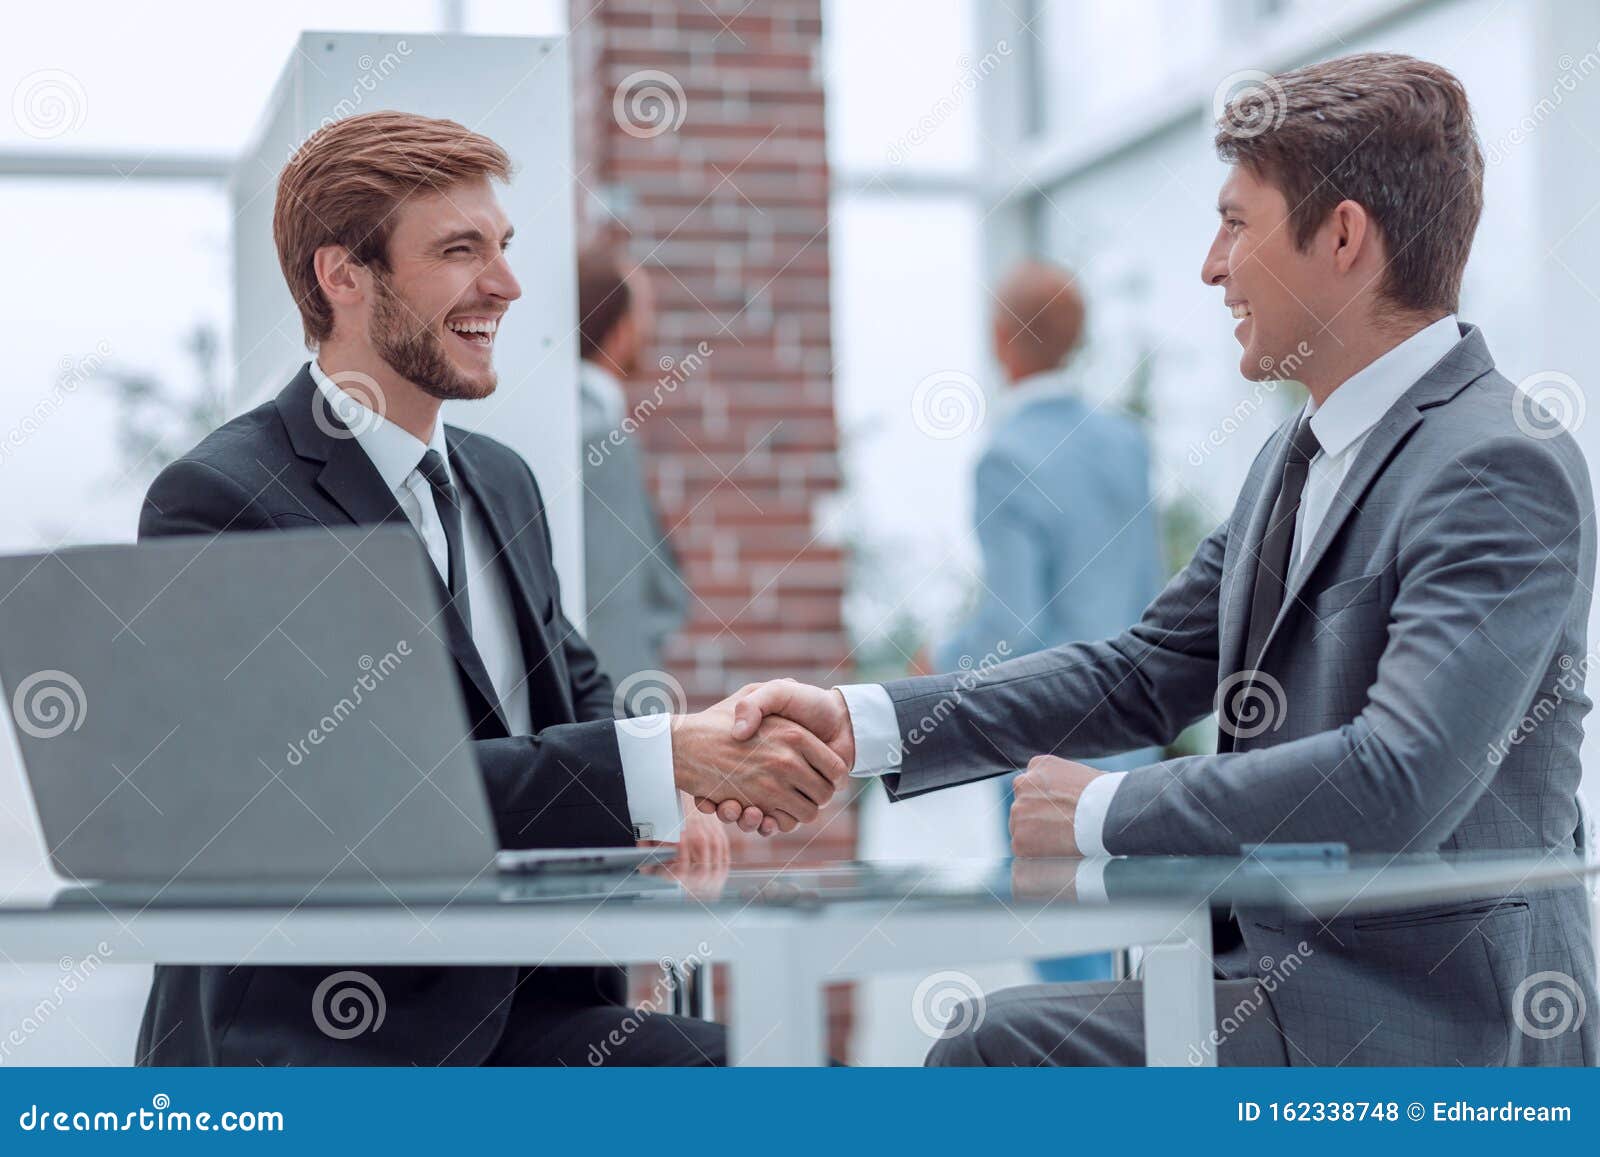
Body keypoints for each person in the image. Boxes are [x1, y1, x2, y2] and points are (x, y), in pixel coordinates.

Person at [720, 54, 1597, 1066]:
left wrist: (1104, 808)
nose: (1210, 265)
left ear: (1343, 236)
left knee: (990, 1049)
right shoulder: (1292, 455)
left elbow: (1400, 776)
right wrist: (858, 721)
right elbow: (1141, 672)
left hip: (1426, 1030)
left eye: (1235, 221)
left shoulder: (1496, 460)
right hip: (1270, 982)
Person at [134, 111, 842, 1066]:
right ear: (342, 277)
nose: (506, 285)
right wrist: (661, 759)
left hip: (534, 1005)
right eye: (461, 251)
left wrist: (675, 789)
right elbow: (349, 796)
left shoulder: (502, 479)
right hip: (336, 1044)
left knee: (769, 1064)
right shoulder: (225, 499)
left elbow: (574, 691)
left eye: (503, 248)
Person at [933, 260, 1162, 983]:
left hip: (1047, 751)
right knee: (1128, 963)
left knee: (1069, 983)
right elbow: (1155, 594)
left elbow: (1012, 625)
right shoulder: (1127, 444)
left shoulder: (1006, 457)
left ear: (1003, 341)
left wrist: (941, 661)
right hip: (1133, 744)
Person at [574, 249, 689, 690]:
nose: (650, 329)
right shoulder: (593, 431)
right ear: (619, 328)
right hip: (613, 705)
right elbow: (611, 599)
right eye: (645, 313)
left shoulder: (598, 423)